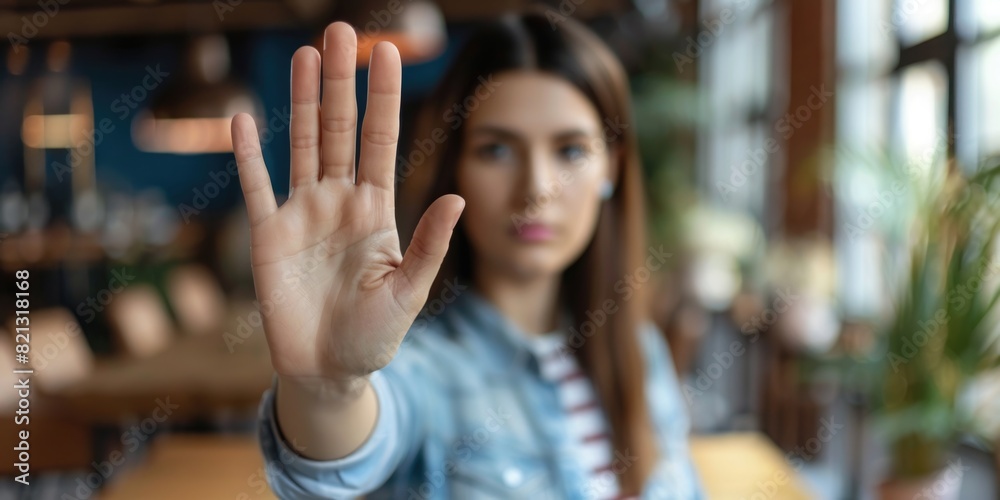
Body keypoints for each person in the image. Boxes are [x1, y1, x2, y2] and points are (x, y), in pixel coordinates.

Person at [229, 9, 703, 499]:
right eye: (496, 150)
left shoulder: (641, 354)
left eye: (571, 150)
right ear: (454, 165)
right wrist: (328, 387)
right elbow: (339, 459)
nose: (537, 189)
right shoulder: (425, 370)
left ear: (613, 168)